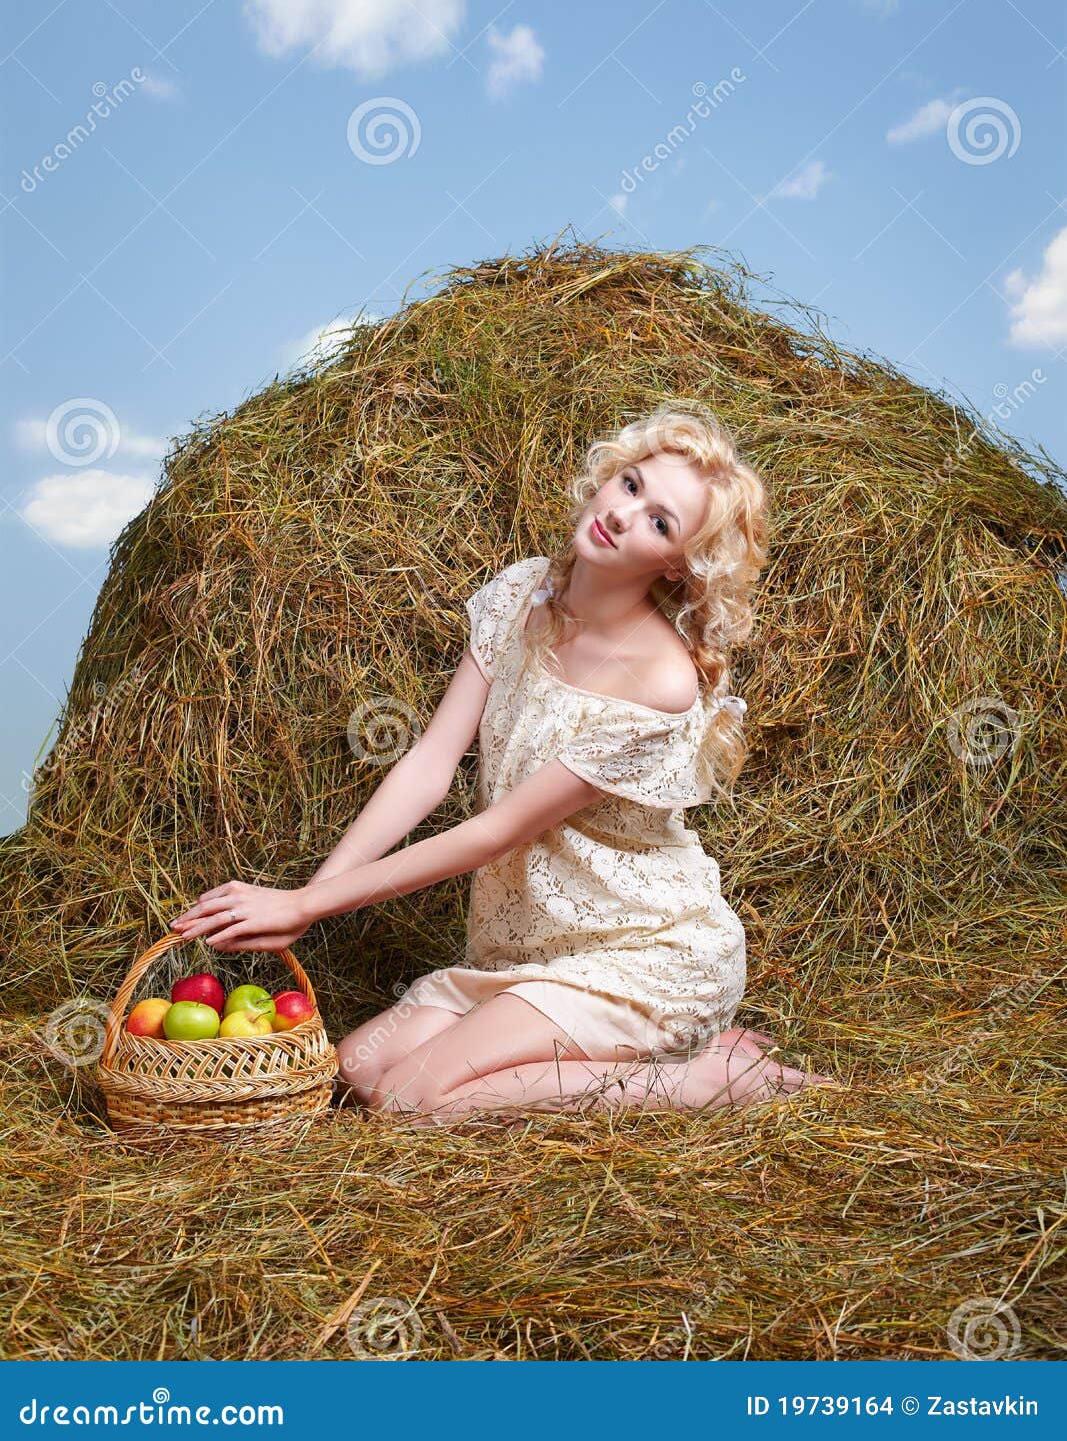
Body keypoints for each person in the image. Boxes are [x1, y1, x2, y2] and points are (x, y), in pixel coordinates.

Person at [170, 404, 837, 1123]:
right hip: (522, 946)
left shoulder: (659, 681)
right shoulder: (522, 592)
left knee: (406, 1102)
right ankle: (634, 1056)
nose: (624, 513)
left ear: (676, 563)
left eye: (660, 522)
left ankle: (708, 1079)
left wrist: (306, 905)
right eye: (631, 485)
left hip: (643, 951)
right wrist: (311, 897)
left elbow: (496, 834)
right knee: (360, 1069)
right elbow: (428, 765)